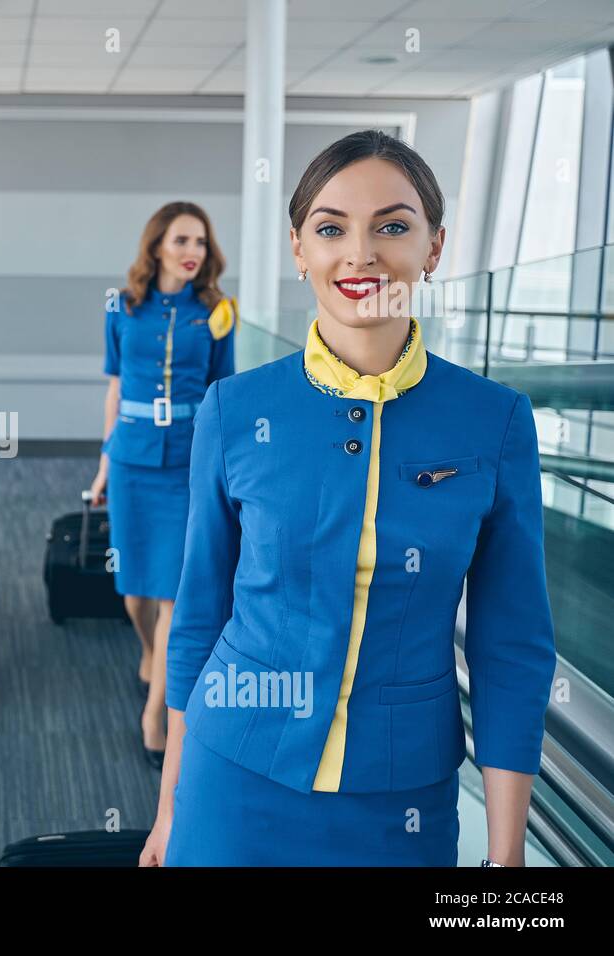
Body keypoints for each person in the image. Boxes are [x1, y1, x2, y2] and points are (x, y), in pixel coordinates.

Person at [141, 130, 556, 866]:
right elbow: (200, 616)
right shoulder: (234, 410)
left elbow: (511, 646)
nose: (361, 255)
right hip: (231, 778)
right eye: (331, 229)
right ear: (300, 249)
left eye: (393, 226)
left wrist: (507, 856)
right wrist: (169, 811)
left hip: (400, 802)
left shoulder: (493, 421)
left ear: (434, 247)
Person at [88, 202, 237, 770]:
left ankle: (157, 713)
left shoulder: (218, 311)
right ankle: (150, 652)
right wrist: (103, 462)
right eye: (180, 240)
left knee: (176, 590)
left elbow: (222, 394)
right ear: (156, 247)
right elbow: (114, 385)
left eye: (199, 241)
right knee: (133, 591)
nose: (192, 251)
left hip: (188, 461)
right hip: (129, 458)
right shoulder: (122, 306)